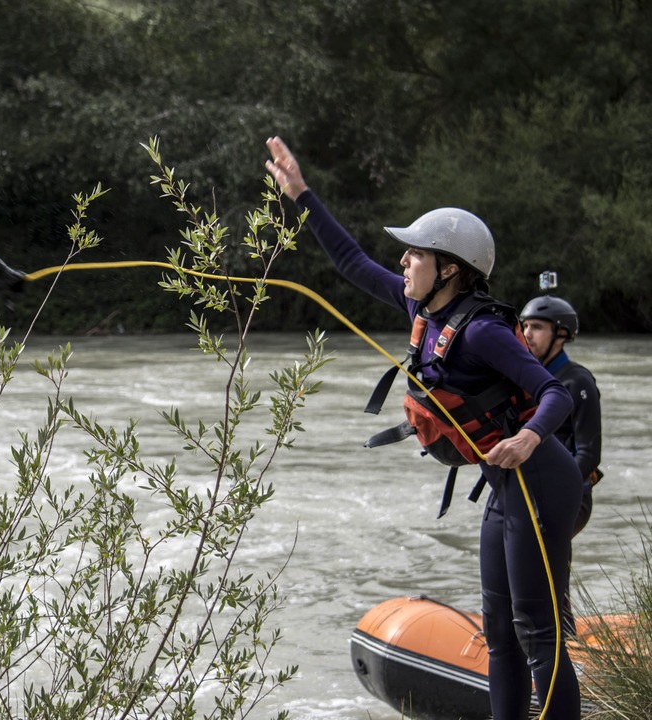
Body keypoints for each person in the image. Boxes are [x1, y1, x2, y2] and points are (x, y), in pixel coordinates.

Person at [265, 136, 583, 720]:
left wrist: (528, 436)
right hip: (505, 487)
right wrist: (302, 195)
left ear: (450, 269)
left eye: (415, 254)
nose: (404, 262)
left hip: (543, 482)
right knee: (500, 634)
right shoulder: (422, 310)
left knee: (539, 634)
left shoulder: (484, 331)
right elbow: (351, 264)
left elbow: (554, 392)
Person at [519, 295, 602, 537]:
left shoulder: (578, 381)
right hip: (530, 489)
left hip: (569, 494)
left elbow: (589, 453)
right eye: (524, 326)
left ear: (562, 334)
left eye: (537, 327)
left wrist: (555, 494)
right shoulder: (527, 377)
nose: (527, 333)